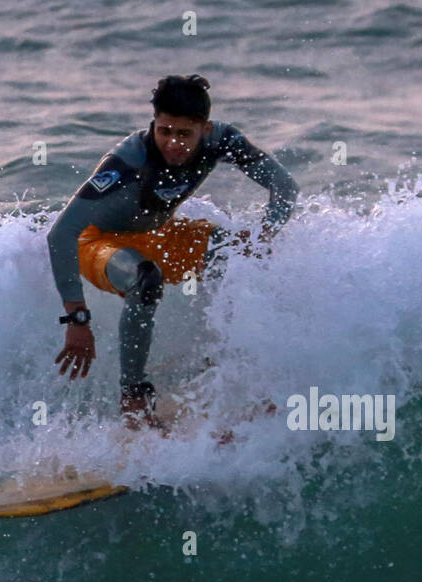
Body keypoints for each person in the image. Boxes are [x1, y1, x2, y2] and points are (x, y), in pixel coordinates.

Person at [47, 74, 299, 429]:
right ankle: (133, 398)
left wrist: (263, 236)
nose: (172, 143)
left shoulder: (222, 141)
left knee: (235, 253)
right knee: (145, 279)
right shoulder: (128, 158)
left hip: (156, 236)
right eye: (164, 131)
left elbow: (285, 186)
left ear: (205, 129)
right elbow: (61, 233)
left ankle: (221, 369)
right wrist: (76, 318)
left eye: (184, 134)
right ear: (154, 124)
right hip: (99, 243)